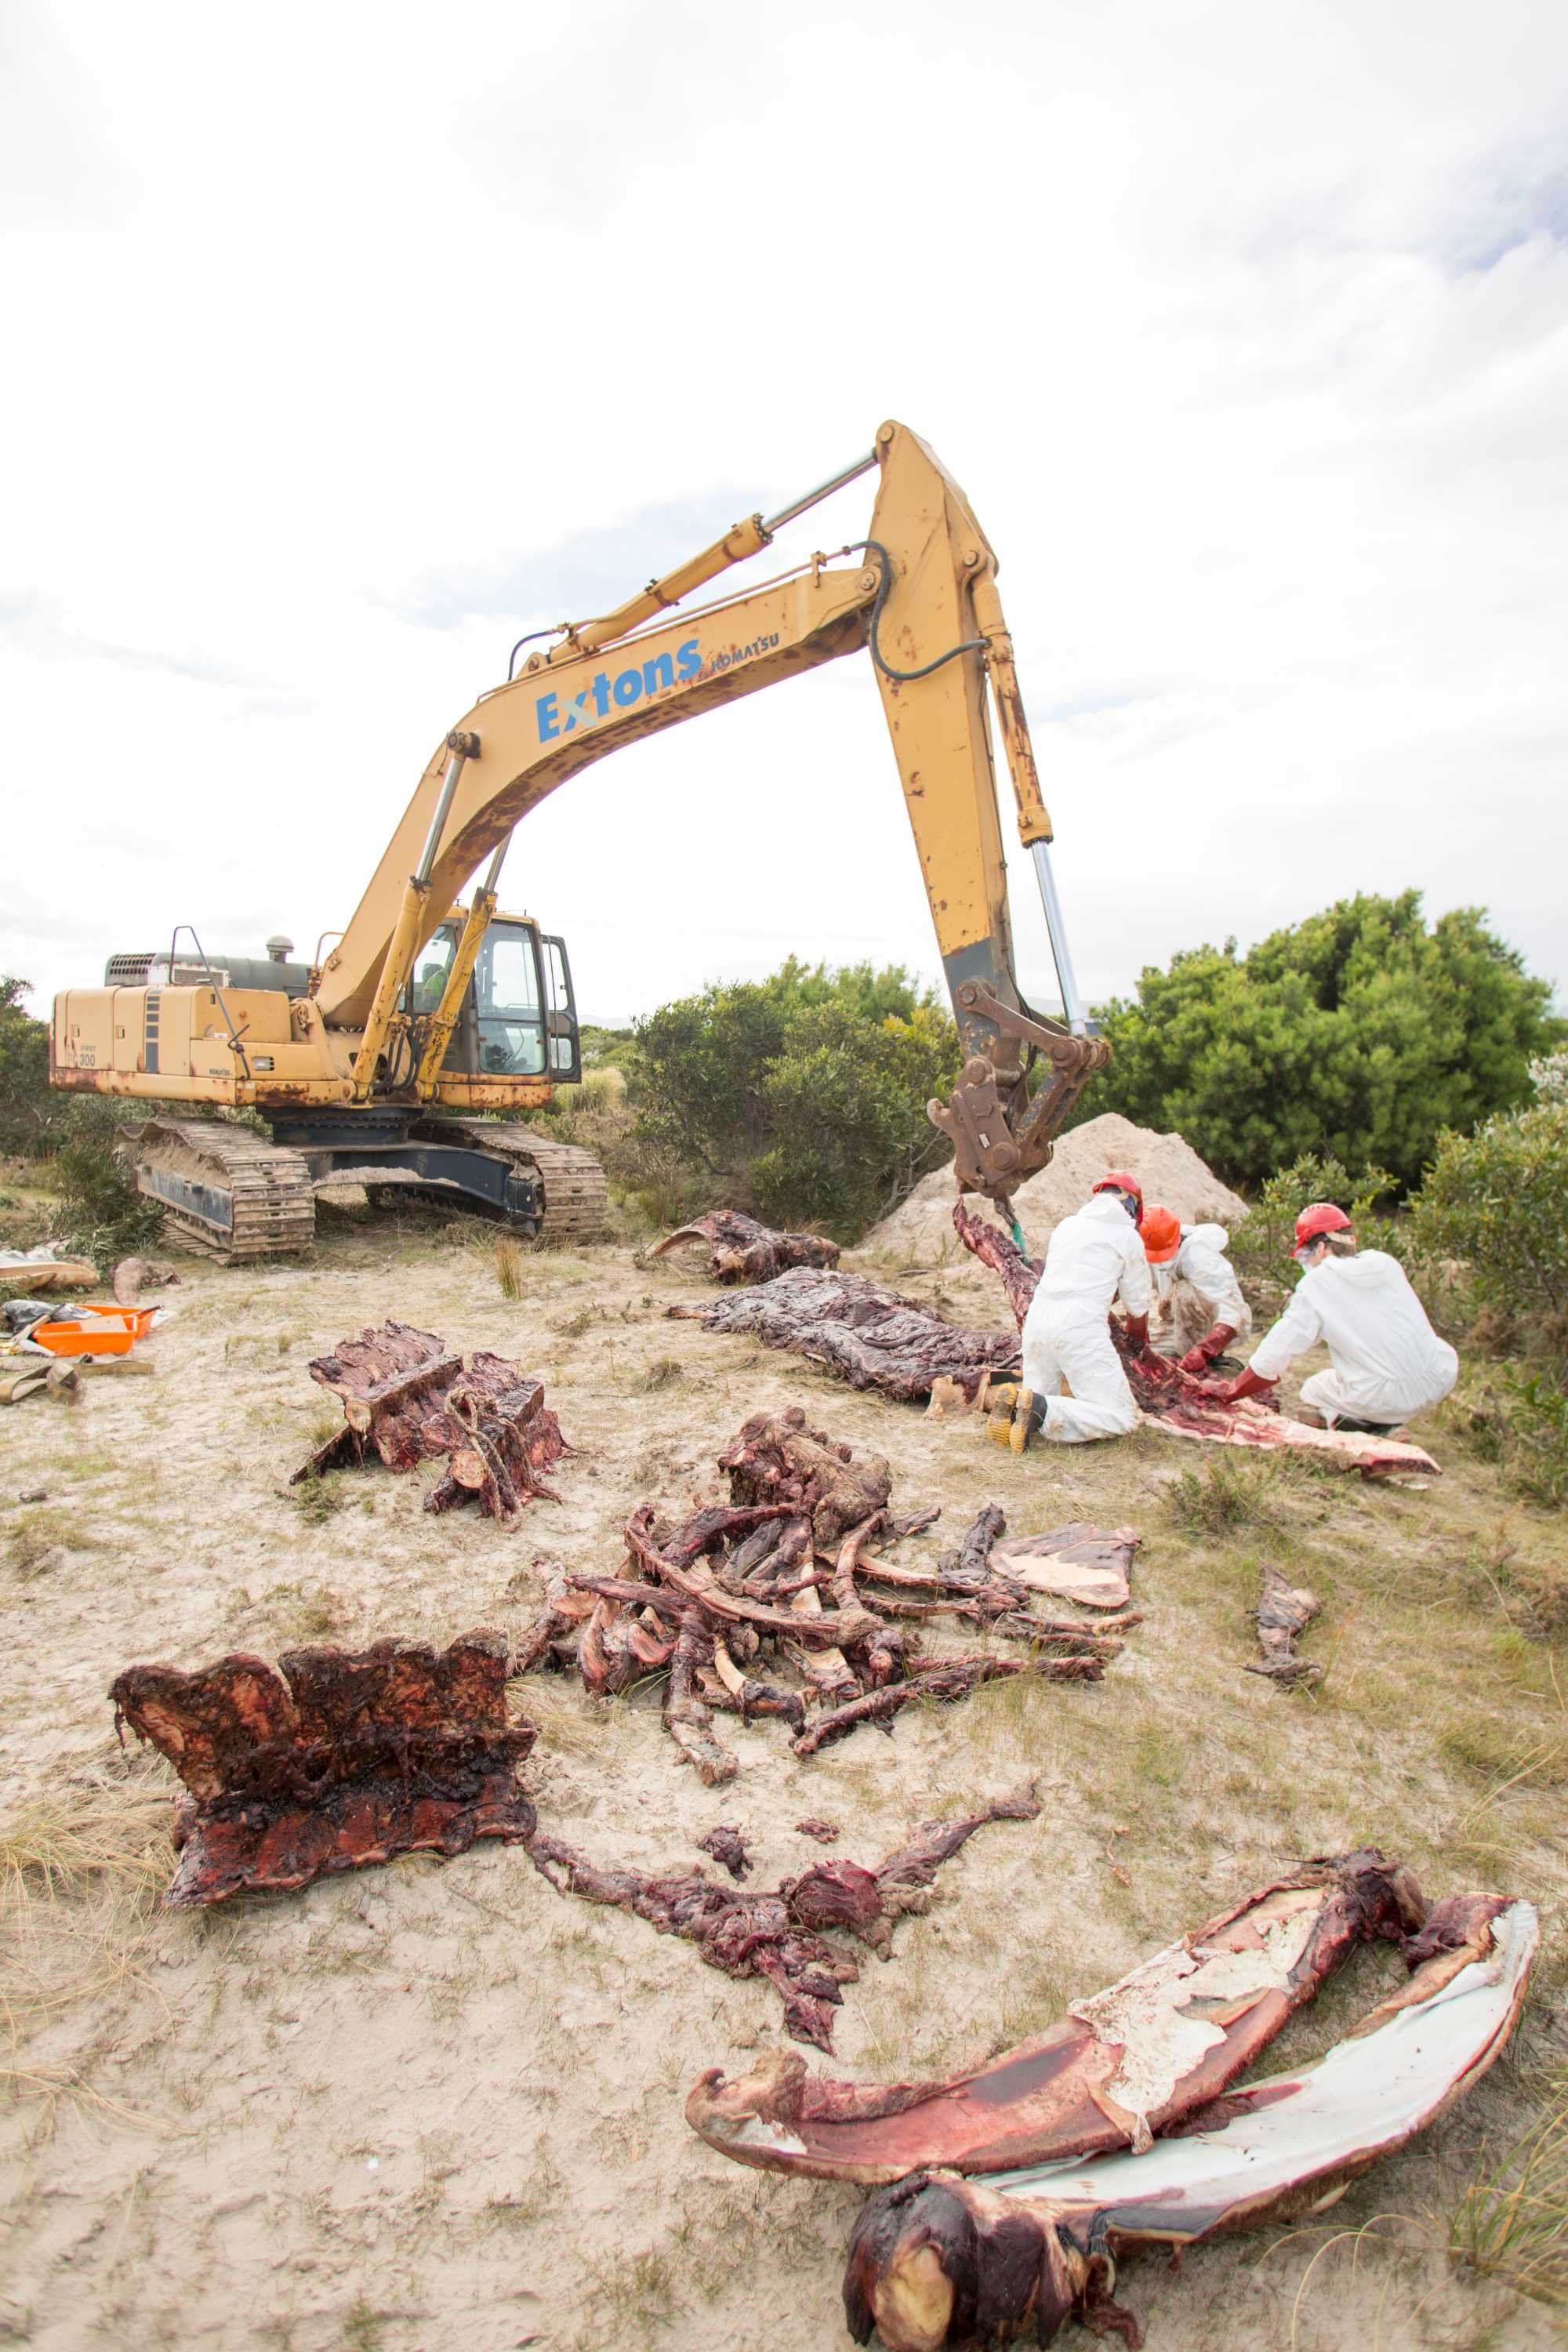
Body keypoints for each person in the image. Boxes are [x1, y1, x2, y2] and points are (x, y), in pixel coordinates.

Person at [1206, 1203, 1458, 1432]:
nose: (1305, 1263)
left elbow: (1273, 1355)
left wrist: (1230, 1393)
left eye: (1305, 1255)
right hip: (1437, 1378)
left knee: (1313, 1390)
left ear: (1322, 1248)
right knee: (1373, 1375)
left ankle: (1373, 1431)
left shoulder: (1317, 1284)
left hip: (1384, 1396)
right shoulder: (1385, 1263)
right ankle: (1389, 1424)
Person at [988, 1170, 1152, 1450]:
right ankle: (1041, 1408)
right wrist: (1138, 1344)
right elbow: (1137, 1307)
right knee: (1121, 1416)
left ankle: (1022, 1409)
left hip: (1038, 1323)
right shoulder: (1127, 1237)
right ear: (1133, 1206)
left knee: (1037, 1396)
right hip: (1080, 1329)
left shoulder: (1067, 1226)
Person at [1139, 1204, 1251, 1373]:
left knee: (1184, 1290)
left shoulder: (1200, 1258)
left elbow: (1232, 1314)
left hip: (1212, 1328)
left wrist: (1203, 1351)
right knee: (1143, 1355)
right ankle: (1183, 1353)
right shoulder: (1149, 1244)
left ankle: (1207, 1356)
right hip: (1176, 1323)